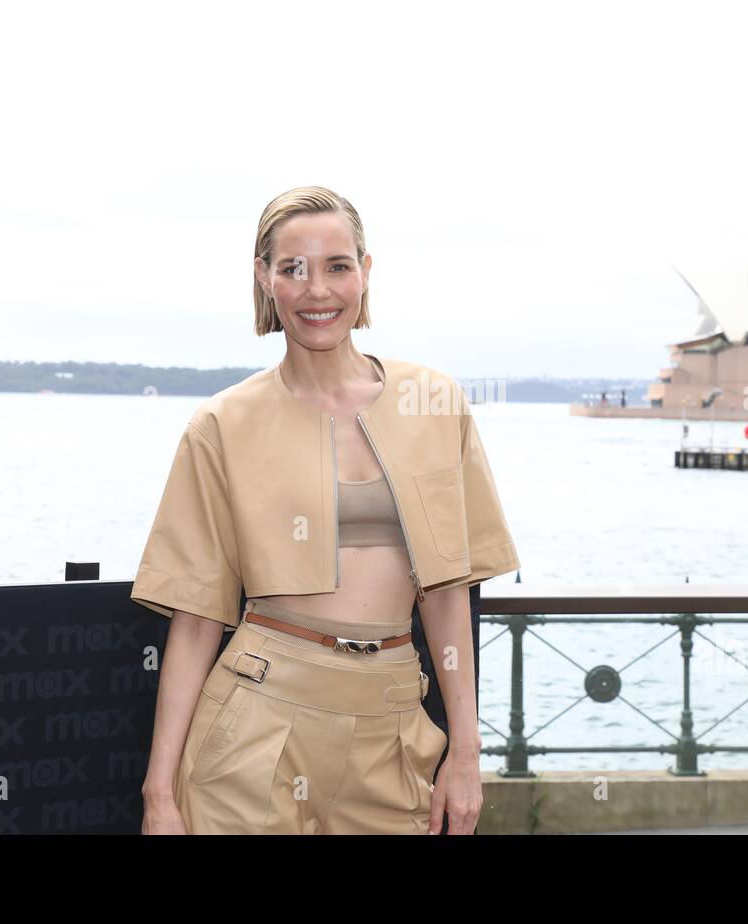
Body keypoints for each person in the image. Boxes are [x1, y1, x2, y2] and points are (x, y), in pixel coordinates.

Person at [131, 186, 520, 836]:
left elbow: (450, 591)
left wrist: (467, 749)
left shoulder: (435, 402)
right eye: (293, 269)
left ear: (366, 273)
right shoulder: (222, 424)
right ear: (265, 279)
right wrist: (159, 793)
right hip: (254, 723)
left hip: (394, 725)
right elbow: (197, 613)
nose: (318, 291)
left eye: (337, 266)